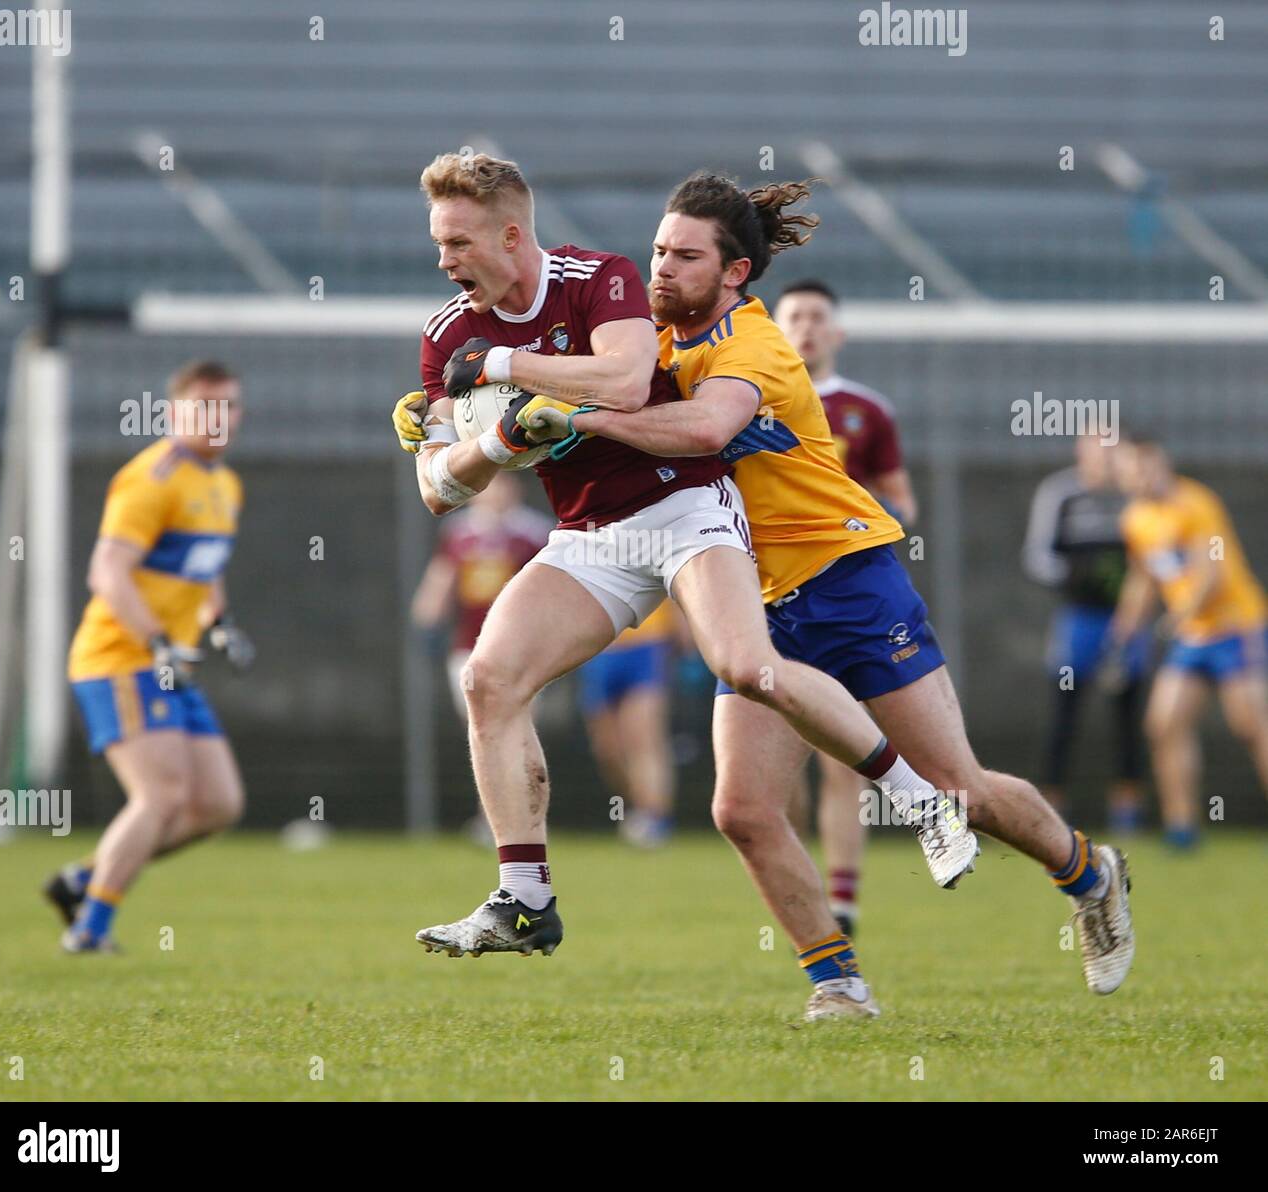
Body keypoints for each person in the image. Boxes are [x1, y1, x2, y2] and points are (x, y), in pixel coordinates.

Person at [391, 152, 973, 1022]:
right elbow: (441, 486)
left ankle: (918, 798)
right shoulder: (446, 334)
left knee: (746, 666)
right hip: (589, 536)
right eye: (438, 241)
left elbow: (626, 381)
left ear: (511, 234)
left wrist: (509, 373)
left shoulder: (601, 279)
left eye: (457, 240)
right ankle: (525, 899)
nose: (444, 259)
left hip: (687, 508)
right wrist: (496, 445)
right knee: (489, 677)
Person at [551, 172, 1136, 1008]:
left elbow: (706, 428)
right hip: (754, 604)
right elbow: (570, 361)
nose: (660, 268)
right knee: (743, 809)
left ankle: (1090, 876)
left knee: (956, 788)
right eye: (657, 250)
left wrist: (585, 418)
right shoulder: (655, 336)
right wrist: (454, 409)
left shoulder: (752, 345)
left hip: (849, 585)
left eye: (684, 256)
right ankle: (839, 984)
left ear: (735, 275)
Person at [47, 361, 253, 953]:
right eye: (206, 406)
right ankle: (90, 929)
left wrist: (220, 624)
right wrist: (158, 640)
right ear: (173, 413)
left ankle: (85, 878)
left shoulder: (224, 484)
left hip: (170, 664)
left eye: (230, 406)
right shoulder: (151, 478)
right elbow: (107, 572)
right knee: (161, 797)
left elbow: (204, 567)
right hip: (119, 658)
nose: (220, 419)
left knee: (216, 805)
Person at [775, 278, 920, 934]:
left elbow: (902, 501)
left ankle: (843, 901)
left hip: (844, 599)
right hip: (768, 601)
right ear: (774, 328)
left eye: (817, 317)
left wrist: (865, 520)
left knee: (844, 757)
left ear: (837, 332)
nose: (806, 327)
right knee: (769, 777)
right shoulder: (747, 397)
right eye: (795, 316)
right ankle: (806, 890)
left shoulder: (865, 410)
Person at [1111, 435, 1268, 847]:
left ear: (1161, 464)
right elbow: (1144, 577)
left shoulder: (1196, 504)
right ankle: (1181, 828)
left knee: (1251, 725)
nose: (1138, 476)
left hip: (1235, 627)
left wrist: (1177, 616)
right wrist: (1125, 625)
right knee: (1164, 724)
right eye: (1130, 469)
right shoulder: (1135, 519)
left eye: (1145, 466)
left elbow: (1212, 573)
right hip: (1192, 635)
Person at [1023, 435, 1147, 829]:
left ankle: (1128, 813)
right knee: (1064, 713)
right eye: (1097, 449)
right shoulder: (1061, 492)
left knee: (1129, 715)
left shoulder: (1135, 496)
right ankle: (1051, 809)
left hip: (1129, 620)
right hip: (1078, 620)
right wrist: (1077, 576)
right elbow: (1038, 556)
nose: (1106, 459)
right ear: (1083, 452)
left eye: (1113, 451)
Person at [410, 472, 552, 721]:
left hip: (520, 646)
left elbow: (549, 590)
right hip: (469, 645)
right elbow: (440, 580)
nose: (494, 491)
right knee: (479, 720)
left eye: (501, 483)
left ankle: (519, 762)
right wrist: (427, 622)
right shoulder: (458, 532)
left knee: (518, 718)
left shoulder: (535, 533)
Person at [578, 598, 678, 846]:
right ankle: (634, 810)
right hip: (598, 647)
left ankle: (655, 818)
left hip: (647, 643)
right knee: (608, 749)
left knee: (643, 737)